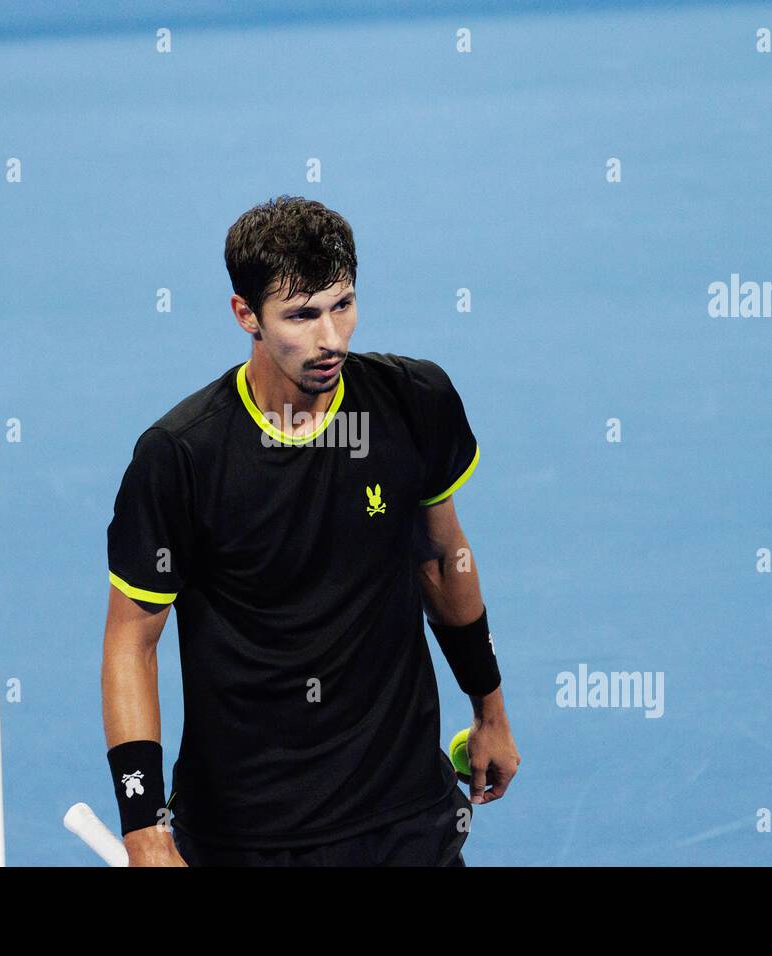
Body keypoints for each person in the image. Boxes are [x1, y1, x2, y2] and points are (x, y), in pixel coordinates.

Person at [101, 195, 520, 866]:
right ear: (246, 315)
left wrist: (490, 710)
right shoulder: (183, 456)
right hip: (251, 829)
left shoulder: (414, 402)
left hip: (405, 808)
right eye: (301, 315)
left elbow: (443, 560)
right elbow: (132, 638)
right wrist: (145, 824)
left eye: (342, 305)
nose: (331, 340)